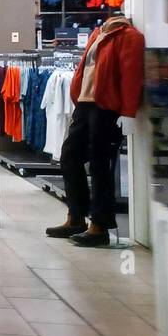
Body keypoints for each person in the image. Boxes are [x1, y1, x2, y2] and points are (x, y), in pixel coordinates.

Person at [46, 14, 144, 247]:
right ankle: (76, 216)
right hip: (85, 104)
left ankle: (99, 226)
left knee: (100, 164)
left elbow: (132, 76)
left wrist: (128, 112)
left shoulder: (130, 37)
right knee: (69, 157)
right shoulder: (98, 34)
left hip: (107, 106)